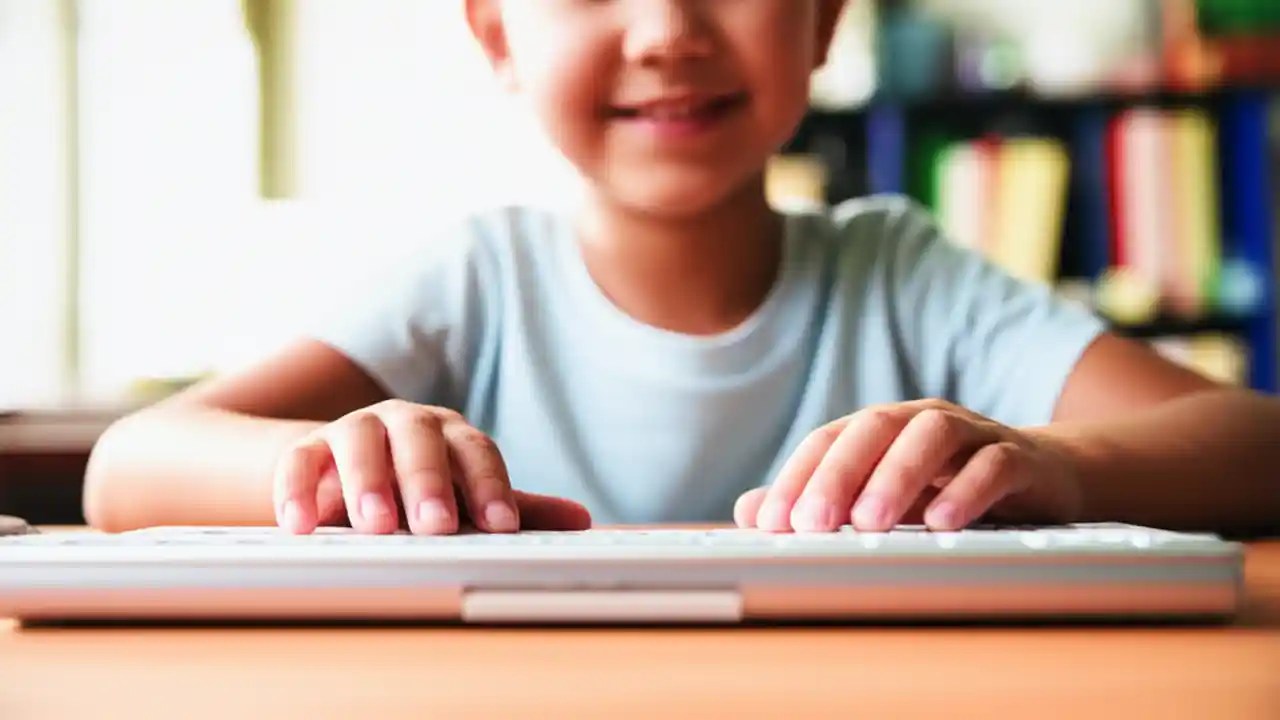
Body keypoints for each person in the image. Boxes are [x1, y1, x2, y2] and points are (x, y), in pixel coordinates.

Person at [83, 0, 1279, 538]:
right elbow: (129, 468)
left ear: (821, 22)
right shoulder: (474, 281)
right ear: (495, 32)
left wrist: (1056, 462)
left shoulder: (903, 276)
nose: (665, 30)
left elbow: (1253, 442)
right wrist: (327, 464)